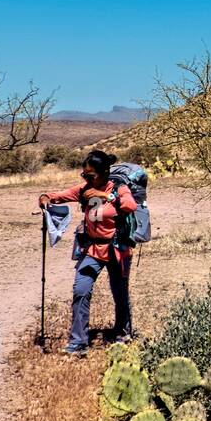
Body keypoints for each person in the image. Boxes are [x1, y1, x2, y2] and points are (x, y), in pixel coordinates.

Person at [38, 150, 138, 355]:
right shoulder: (84, 190)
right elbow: (60, 196)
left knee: (119, 293)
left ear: (104, 173)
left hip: (116, 249)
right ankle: (78, 342)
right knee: (81, 290)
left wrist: (105, 196)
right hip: (92, 249)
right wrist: (46, 197)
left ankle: (122, 333)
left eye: (91, 176)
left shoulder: (119, 188)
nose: (87, 179)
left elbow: (130, 205)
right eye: (84, 175)